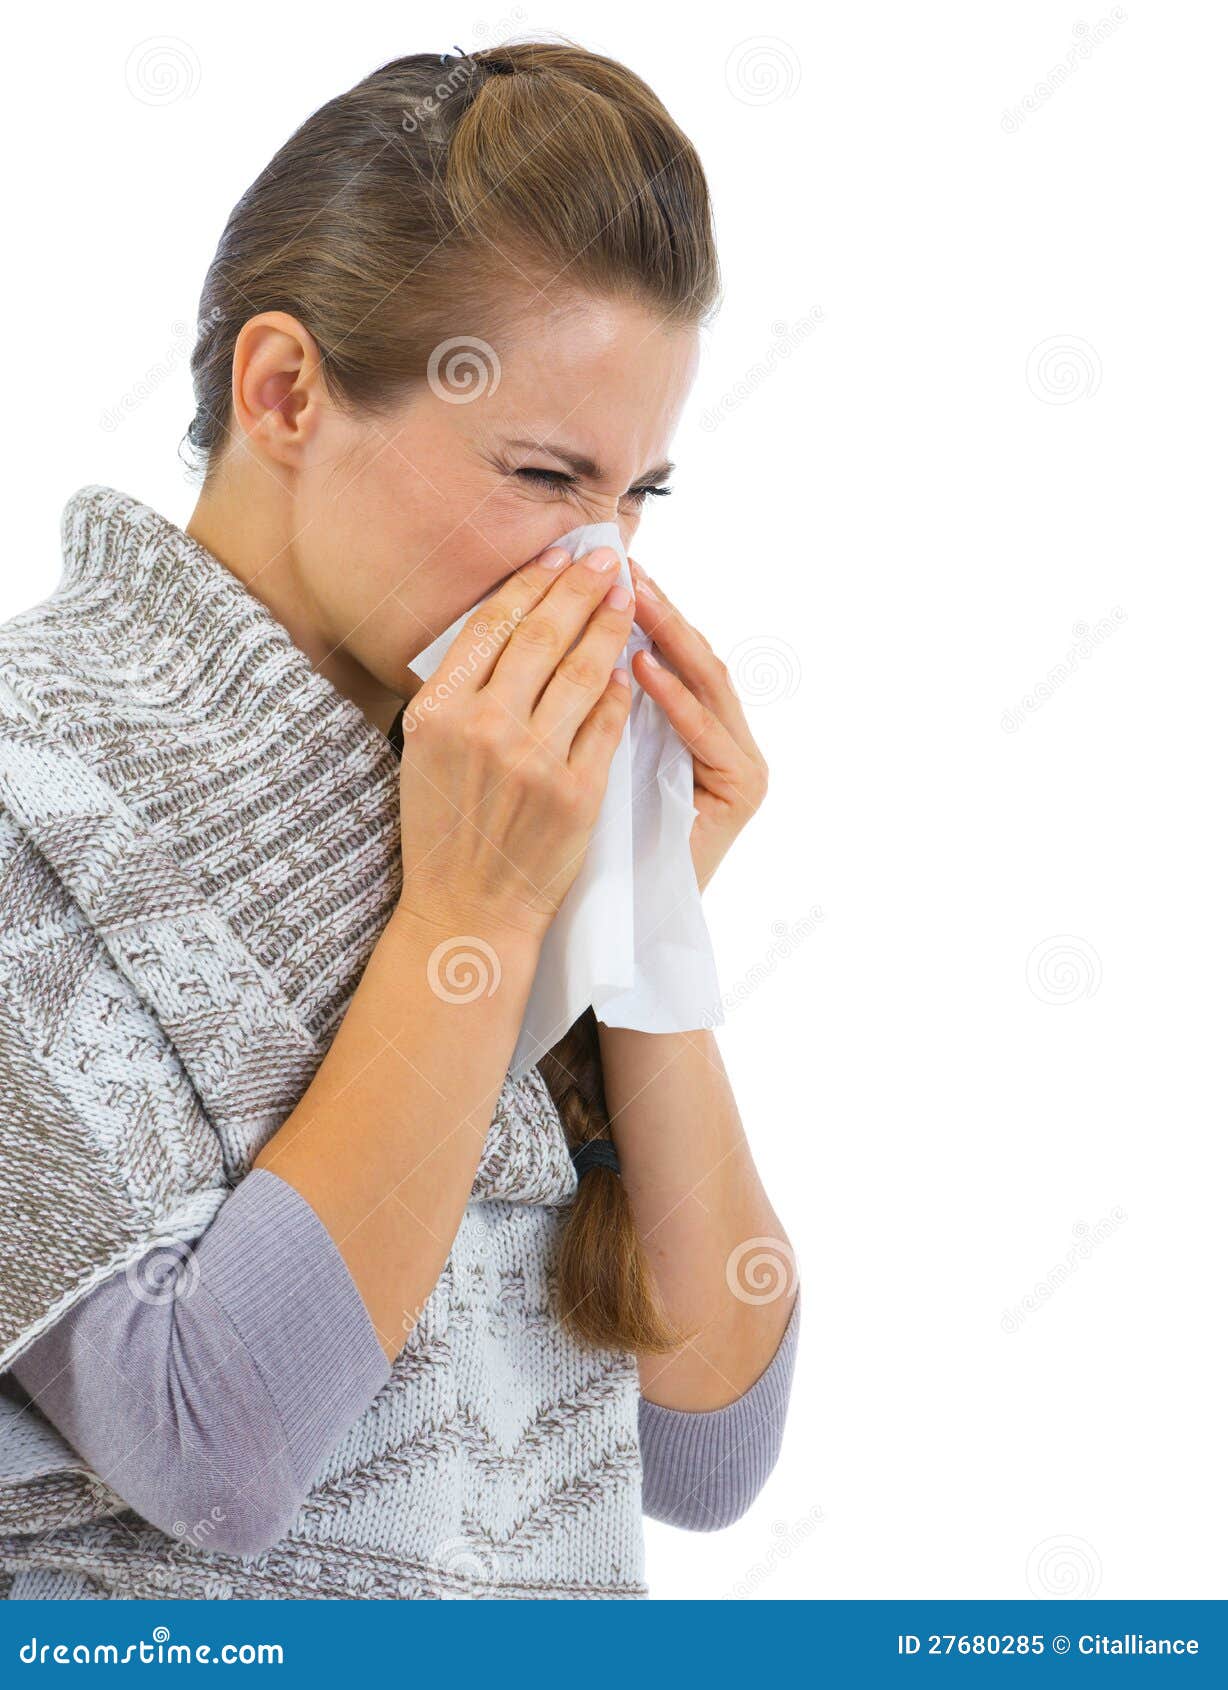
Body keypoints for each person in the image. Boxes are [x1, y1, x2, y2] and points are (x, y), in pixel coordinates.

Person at [0, 41, 800, 1601]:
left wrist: (640, 925)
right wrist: (469, 922)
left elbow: (707, 1445)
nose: (600, 571)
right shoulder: (30, 785)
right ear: (285, 391)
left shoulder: (489, 790)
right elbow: (204, 1444)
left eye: (640, 494)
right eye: (543, 473)